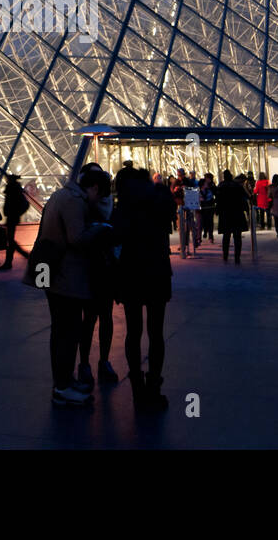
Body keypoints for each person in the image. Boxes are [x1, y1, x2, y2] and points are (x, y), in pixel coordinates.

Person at [23, 165, 110, 407]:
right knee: (68, 331)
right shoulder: (73, 201)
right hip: (66, 275)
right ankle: (63, 387)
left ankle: (63, 382)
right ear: (93, 187)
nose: (98, 200)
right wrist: (100, 229)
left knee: (60, 330)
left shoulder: (60, 195)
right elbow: (76, 238)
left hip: (53, 272)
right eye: (99, 194)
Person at [113, 168, 174, 411]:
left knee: (133, 332)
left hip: (131, 273)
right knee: (156, 332)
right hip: (157, 272)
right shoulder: (159, 200)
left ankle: (137, 386)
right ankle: (154, 387)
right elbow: (169, 215)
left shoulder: (124, 206)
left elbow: (115, 236)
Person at [77, 175, 120, 389]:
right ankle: (88, 363)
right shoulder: (86, 208)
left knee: (101, 318)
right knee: (92, 319)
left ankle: (97, 362)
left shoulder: (95, 208)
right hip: (93, 270)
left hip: (103, 271)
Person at [0, 174, 29, 271]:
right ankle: (21, 255)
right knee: (10, 239)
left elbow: (22, 204)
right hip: (12, 216)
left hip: (12, 217)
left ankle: (10, 261)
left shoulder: (13, 189)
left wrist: (15, 212)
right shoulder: (15, 189)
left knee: (10, 240)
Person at [217, 170, 246, 264]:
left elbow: (218, 200)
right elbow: (243, 198)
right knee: (237, 236)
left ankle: (225, 255)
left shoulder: (221, 186)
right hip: (237, 213)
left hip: (225, 214)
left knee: (226, 236)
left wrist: (218, 210)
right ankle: (237, 257)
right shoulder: (237, 186)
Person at [199, 173, 216, 243]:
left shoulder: (212, 186)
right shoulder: (202, 185)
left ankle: (210, 236)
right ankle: (205, 231)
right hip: (203, 207)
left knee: (210, 221)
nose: (207, 180)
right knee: (204, 221)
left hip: (210, 206)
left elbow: (215, 193)